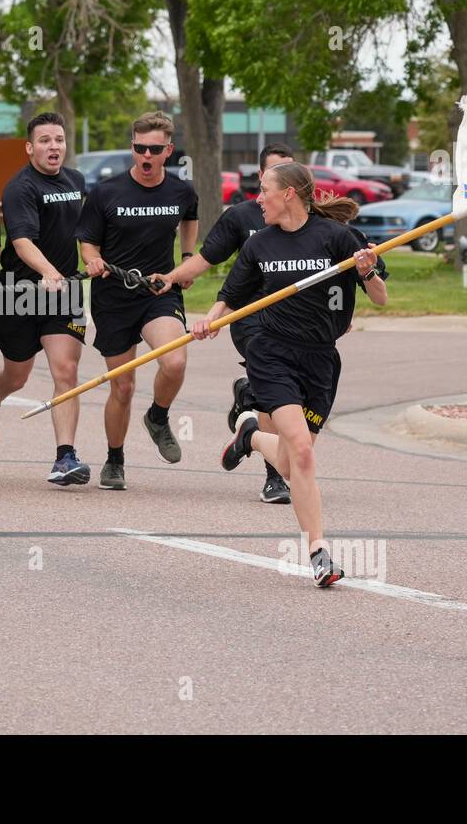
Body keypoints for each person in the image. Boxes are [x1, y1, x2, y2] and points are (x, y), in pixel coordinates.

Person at [192, 161, 388, 587]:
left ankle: (250, 435)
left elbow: (380, 296)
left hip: (320, 361)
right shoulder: (259, 244)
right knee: (301, 451)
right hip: (271, 354)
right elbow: (230, 295)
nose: (257, 198)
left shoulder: (338, 238)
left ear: (289, 194)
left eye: (264, 190)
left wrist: (367, 267)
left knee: (291, 458)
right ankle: (319, 552)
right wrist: (209, 319)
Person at [158, 142, 294, 504]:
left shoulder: (314, 221)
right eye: (275, 172)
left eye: (290, 171)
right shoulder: (243, 218)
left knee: (294, 395)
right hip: (251, 321)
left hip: (297, 324)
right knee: (274, 391)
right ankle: (274, 477)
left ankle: (246, 403)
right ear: (262, 177)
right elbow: (205, 259)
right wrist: (171, 278)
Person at [75, 110, 198, 491]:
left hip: (158, 291)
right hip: (113, 295)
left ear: (168, 150)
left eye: (155, 149)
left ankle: (158, 417)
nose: (146, 156)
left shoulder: (181, 191)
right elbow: (88, 239)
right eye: (140, 148)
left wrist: (187, 259)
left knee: (175, 360)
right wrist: (91, 259)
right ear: (132, 147)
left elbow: (189, 218)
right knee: (123, 386)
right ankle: (115, 459)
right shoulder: (106, 192)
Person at [0, 111, 90, 485]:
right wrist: (48, 271)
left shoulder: (76, 180)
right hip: (18, 294)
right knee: (17, 375)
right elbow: (21, 241)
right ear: (29, 147)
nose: (53, 146)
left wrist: (92, 260)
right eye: (44, 140)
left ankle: (65, 457)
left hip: (62, 293)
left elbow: (84, 232)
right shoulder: (20, 187)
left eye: (58, 139)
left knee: (66, 371)